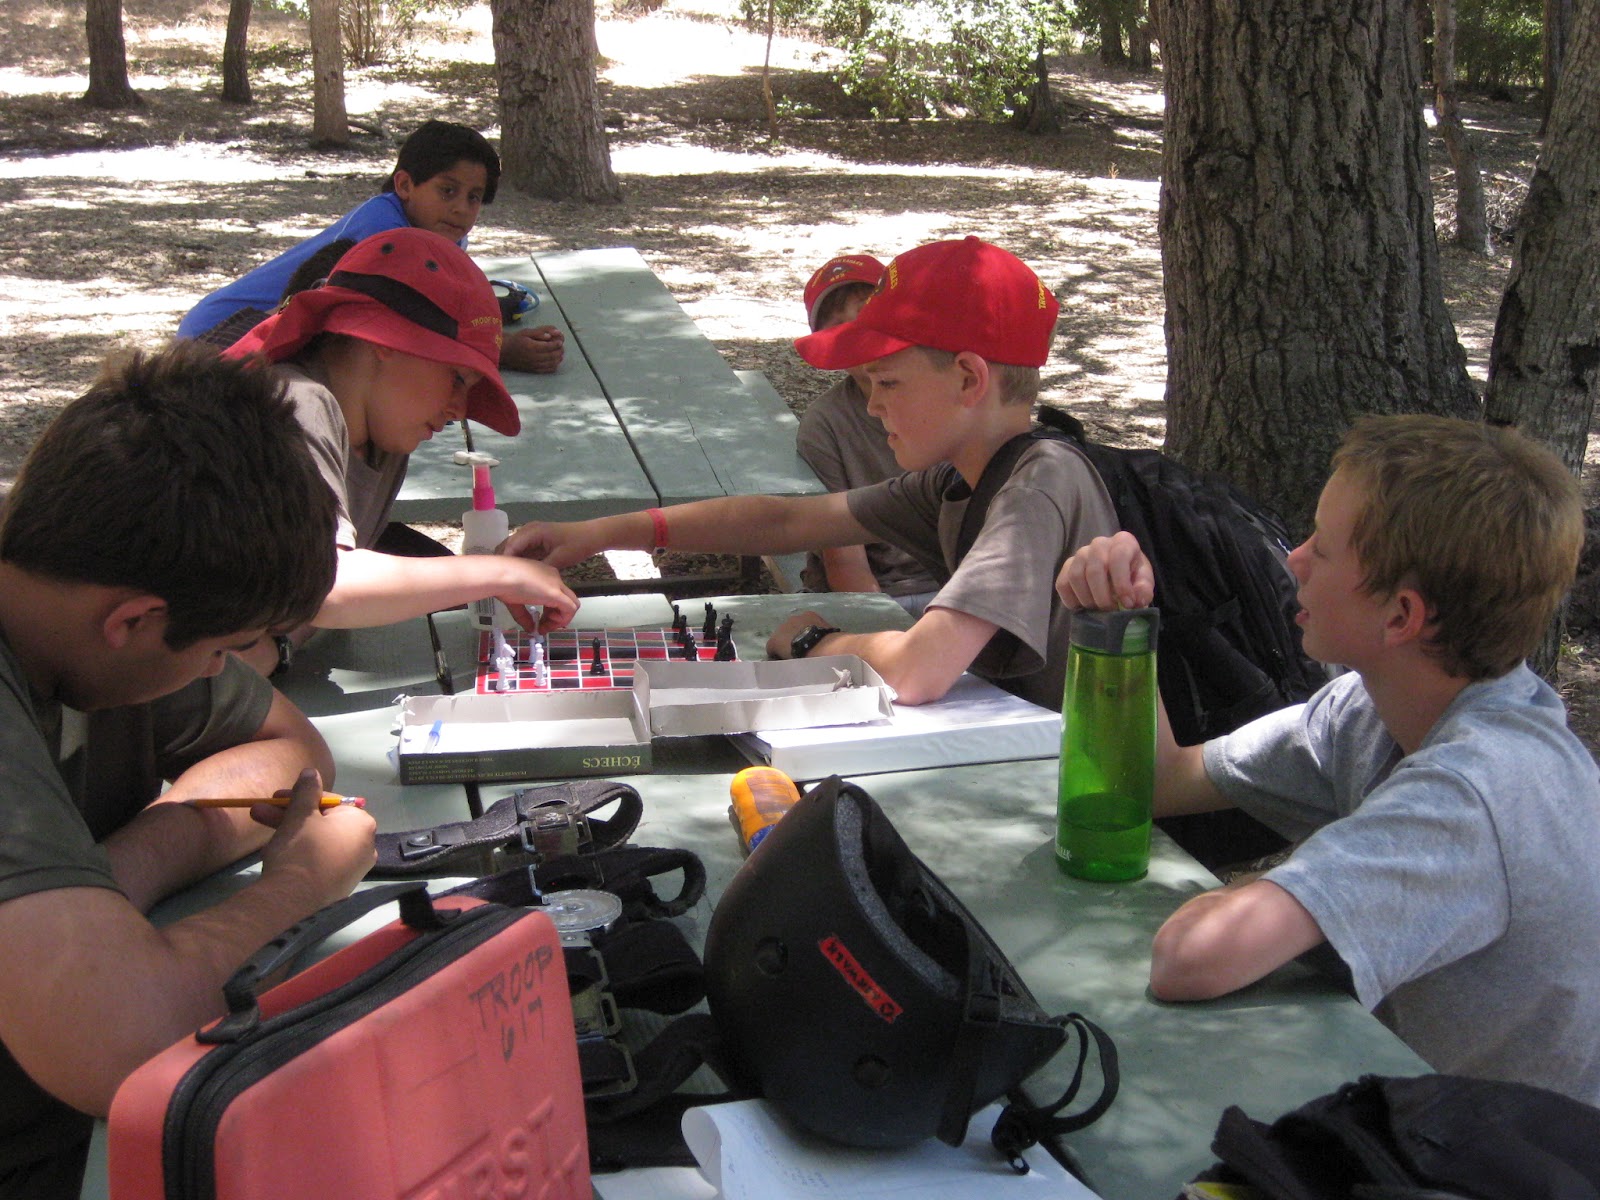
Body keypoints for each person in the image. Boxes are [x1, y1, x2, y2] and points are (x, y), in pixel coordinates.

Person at [1055, 414, 1600, 1105]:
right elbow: (1159, 781)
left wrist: (1283, 897)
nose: (1295, 559)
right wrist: (1116, 623)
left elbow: (1190, 960)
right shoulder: (1367, 710)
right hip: (1420, 1117)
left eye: (1325, 547)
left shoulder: (1480, 790)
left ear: (1400, 617)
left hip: (1512, 1165)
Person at [0, 343, 378, 1197]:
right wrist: (297, 888)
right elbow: (120, 1046)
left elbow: (290, 749)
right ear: (134, 621)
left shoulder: (78, 613)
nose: (222, 674)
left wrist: (123, 868)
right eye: (219, 650)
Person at [503, 237, 1118, 709]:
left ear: (968, 379)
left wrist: (813, 642)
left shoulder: (1034, 486)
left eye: (888, 382)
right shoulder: (957, 478)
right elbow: (787, 518)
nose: (873, 405)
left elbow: (917, 672)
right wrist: (597, 533)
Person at [223, 226, 578, 677]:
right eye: (456, 379)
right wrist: (495, 574)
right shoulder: (299, 404)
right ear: (383, 342)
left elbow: (299, 610)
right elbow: (326, 586)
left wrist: (278, 648)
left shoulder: (385, 435)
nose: (458, 410)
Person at [177, 118, 565, 374]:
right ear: (405, 185)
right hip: (218, 338)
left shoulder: (438, 227)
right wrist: (503, 351)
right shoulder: (383, 237)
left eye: (475, 197)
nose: (461, 209)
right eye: (448, 191)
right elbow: (405, 328)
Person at [795, 253, 940, 616]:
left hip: (955, 588)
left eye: (864, 314)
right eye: (836, 325)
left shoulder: (946, 399)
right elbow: (845, 565)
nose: (854, 331)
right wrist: (892, 634)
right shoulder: (825, 424)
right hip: (881, 597)